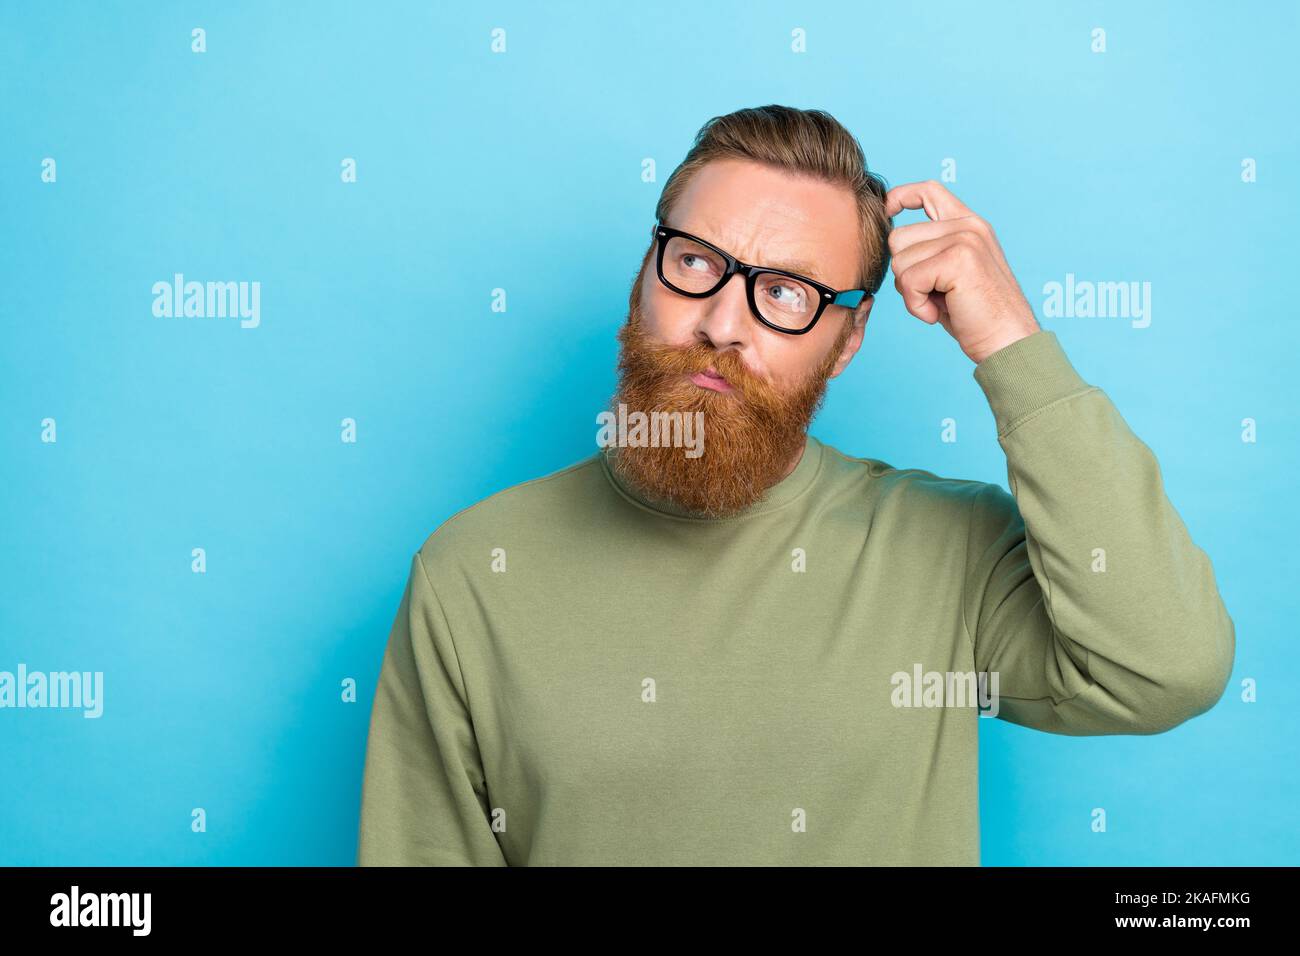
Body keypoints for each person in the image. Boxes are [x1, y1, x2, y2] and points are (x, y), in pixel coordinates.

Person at [356, 105, 1235, 866]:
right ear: (643, 275)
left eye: (786, 293)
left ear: (847, 343)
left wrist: (1009, 340)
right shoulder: (474, 571)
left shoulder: (946, 552)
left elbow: (1167, 668)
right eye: (696, 263)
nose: (723, 324)